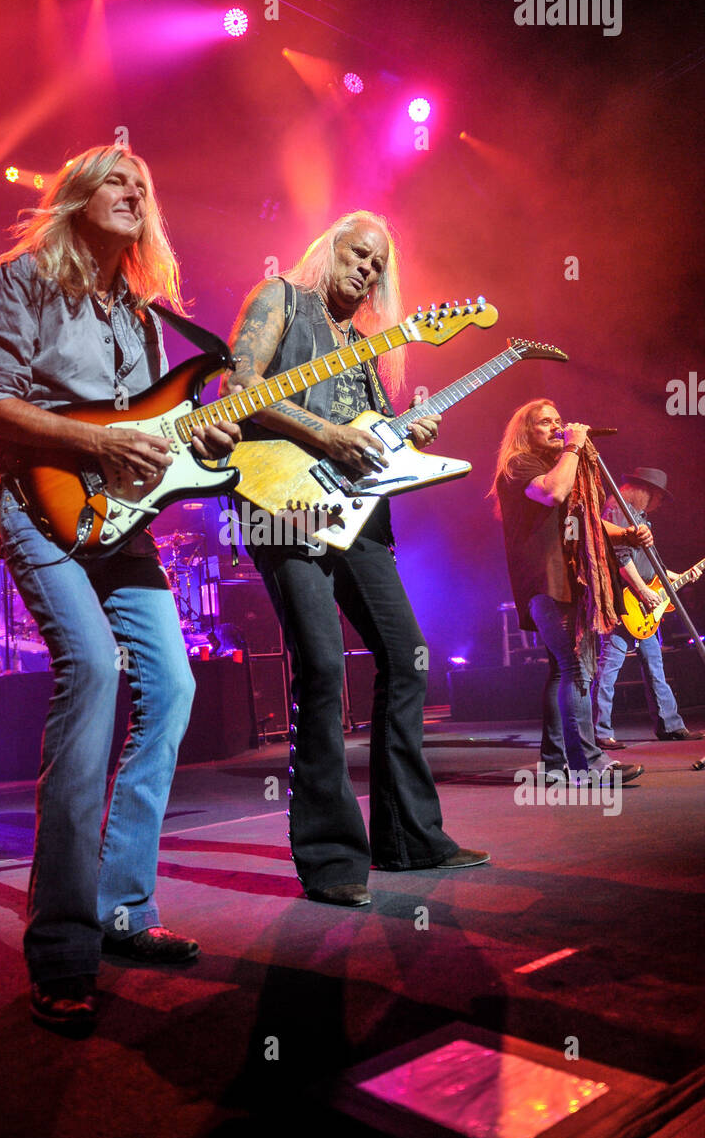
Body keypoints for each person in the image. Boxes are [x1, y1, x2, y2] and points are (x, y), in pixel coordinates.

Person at [0, 144, 240, 1033]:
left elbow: (156, 437)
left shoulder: (150, 316)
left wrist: (210, 448)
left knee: (177, 683)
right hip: (34, 501)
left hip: (121, 526)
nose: (133, 192)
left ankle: (125, 906)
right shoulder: (26, 280)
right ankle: (62, 948)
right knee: (92, 670)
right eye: (116, 180)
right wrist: (98, 448)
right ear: (79, 196)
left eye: (144, 186)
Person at [223, 211, 489, 909]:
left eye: (378, 265)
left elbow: (371, 442)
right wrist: (331, 437)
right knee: (318, 667)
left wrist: (405, 435)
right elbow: (239, 388)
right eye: (359, 253)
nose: (367, 269)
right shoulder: (280, 297)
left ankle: (408, 838)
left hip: (356, 513)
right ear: (330, 248)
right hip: (281, 498)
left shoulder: (367, 347)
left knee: (407, 658)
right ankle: (332, 858)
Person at [490, 399, 654, 783]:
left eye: (558, 421)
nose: (556, 426)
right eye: (544, 422)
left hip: (568, 579)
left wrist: (627, 533)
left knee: (561, 672)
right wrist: (574, 446)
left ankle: (553, 764)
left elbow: (585, 520)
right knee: (576, 670)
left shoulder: (555, 465)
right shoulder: (520, 466)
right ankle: (589, 764)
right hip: (546, 580)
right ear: (525, 432)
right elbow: (553, 494)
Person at [592, 467, 702, 747]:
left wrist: (679, 576)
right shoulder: (618, 510)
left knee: (655, 666)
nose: (659, 504)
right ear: (645, 491)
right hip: (625, 603)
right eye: (659, 498)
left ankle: (670, 725)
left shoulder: (641, 519)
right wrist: (642, 590)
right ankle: (599, 731)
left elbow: (650, 564)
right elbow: (620, 557)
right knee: (609, 669)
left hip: (644, 607)